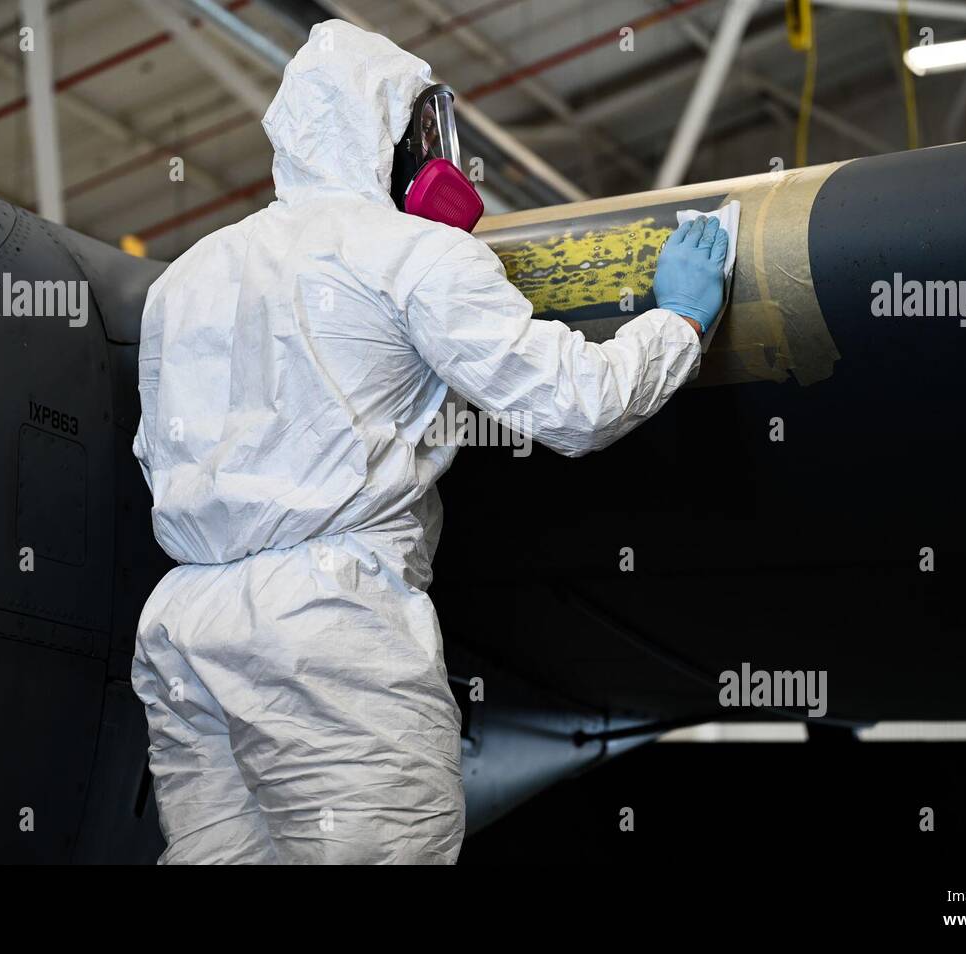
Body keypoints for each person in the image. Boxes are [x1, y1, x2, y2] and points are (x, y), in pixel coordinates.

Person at [130, 18, 728, 865]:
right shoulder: (411, 255)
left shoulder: (184, 276)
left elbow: (157, 453)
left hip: (185, 625)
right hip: (329, 623)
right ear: (391, 135)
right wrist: (679, 321)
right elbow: (575, 405)